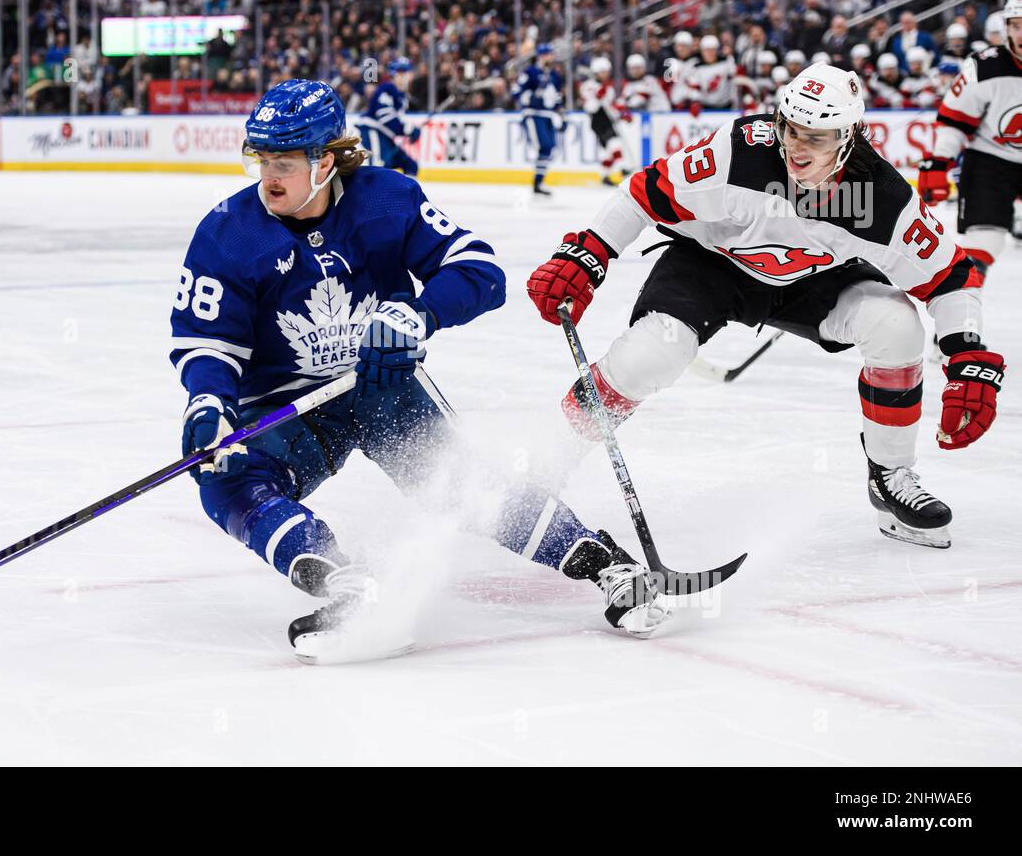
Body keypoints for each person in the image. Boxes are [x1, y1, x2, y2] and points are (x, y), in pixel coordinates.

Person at [171, 79, 669, 661]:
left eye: (284, 162)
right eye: (261, 159)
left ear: (325, 161)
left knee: (463, 486)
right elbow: (208, 342)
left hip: (379, 387)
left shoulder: (387, 199)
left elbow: (481, 272)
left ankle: (608, 566)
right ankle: (350, 589)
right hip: (288, 407)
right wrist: (209, 401)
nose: (268, 176)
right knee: (227, 479)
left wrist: (418, 313)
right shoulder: (228, 233)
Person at [526, 64, 1003, 549]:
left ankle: (890, 475)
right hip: (710, 265)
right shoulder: (737, 152)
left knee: (897, 325)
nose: (797, 147)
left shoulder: (883, 199)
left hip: (810, 281)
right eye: (791, 129)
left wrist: (966, 355)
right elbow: (642, 195)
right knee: (649, 356)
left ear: (849, 137)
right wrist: (588, 252)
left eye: (816, 137)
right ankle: (545, 464)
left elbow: (952, 277)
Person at [919, 0, 1022, 277]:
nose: (1021, 34)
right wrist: (940, 162)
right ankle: (964, 295)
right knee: (983, 238)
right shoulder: (984, 66)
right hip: (991, 160)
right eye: (1016, 25)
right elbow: (954, 121)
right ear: (1006, 29)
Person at [354, 57, 421, 176]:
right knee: (376, 170)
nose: (405, 76)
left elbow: (395, 118)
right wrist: (408, 130)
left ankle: (405, 189)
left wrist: (407, 129)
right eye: (401, 72)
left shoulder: (400, 94)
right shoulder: (387, 89)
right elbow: (386, 117)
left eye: (406, 72)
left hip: (386, 138)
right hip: (374, 132)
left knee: (410, 165)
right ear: (393, 75)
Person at [514, 43, 564, 196]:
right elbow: (516, 92)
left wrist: (560, 111)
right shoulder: (530, 72)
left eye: (551, 54)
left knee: (548, 148)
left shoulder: (555, 75)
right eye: (547, 54)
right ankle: (537, 182)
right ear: (540, 56)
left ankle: (539, 182)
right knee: (543, 145)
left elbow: (557, 97)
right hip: (534, 114)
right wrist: (530, 97)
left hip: (548, 115)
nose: (550, 57)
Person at [579, 56, 633, 185]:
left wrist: (621, 114)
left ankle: (605, 175)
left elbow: (610, 106)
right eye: (602, 71)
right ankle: (623, 168)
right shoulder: (588, 86)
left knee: (608, 150)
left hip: (607, 120)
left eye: (606, 71)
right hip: (598, 121)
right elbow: (590, 107)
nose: (605, 74)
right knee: (614, 143)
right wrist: (597, 97)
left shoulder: (608, 88)